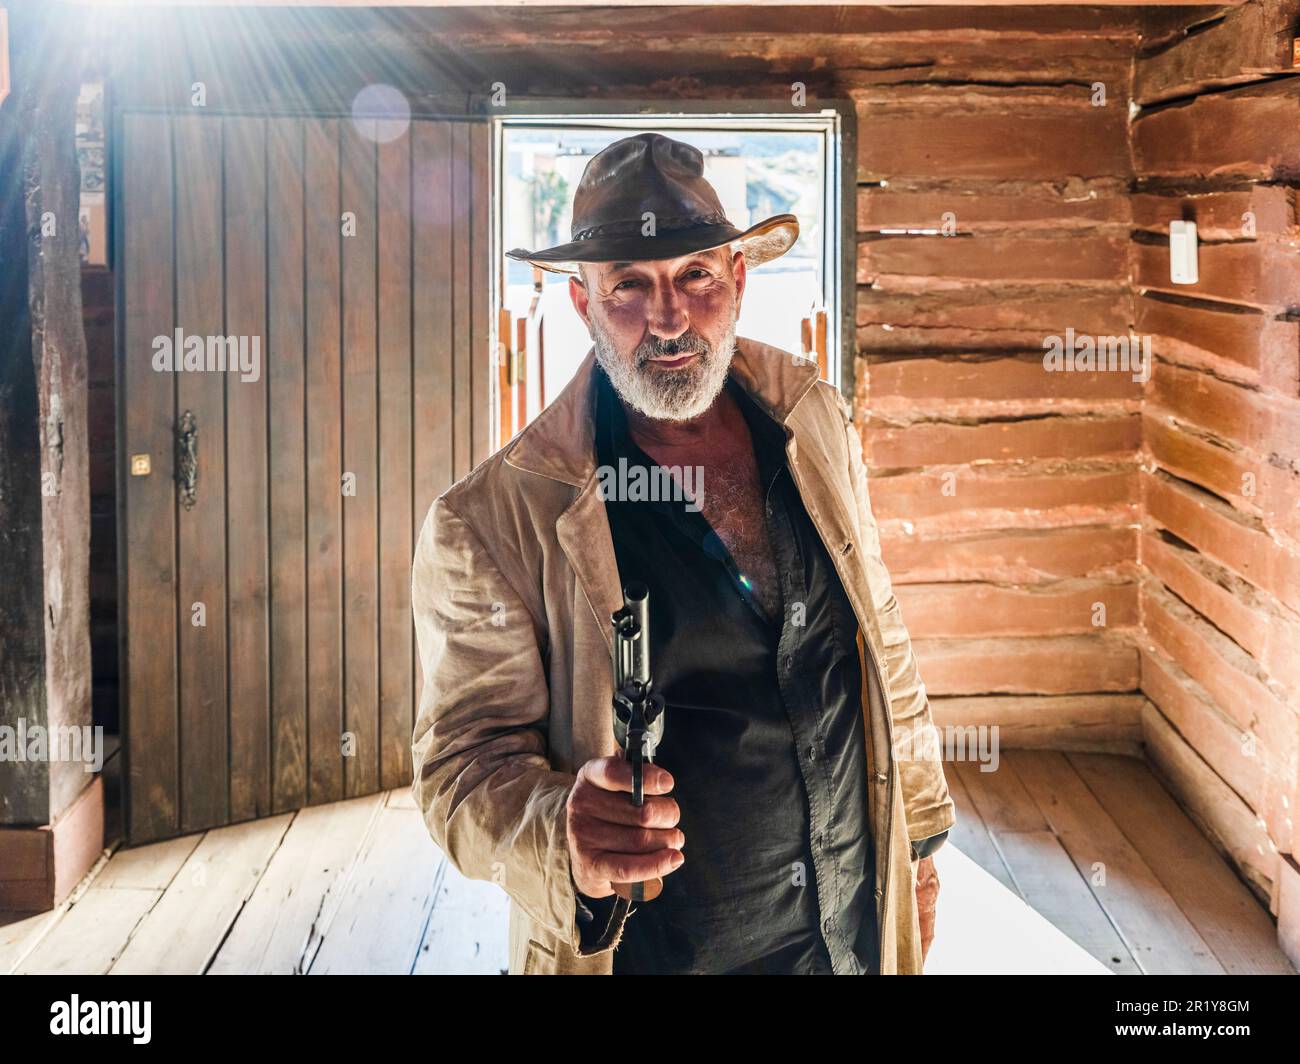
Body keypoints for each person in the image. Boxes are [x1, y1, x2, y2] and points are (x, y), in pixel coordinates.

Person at [411, 132, 954, 974]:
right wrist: (563, 833)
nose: (668, 318)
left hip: (849, 936)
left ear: (737, 280)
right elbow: (461, 769)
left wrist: (919, 835)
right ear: (586, 307)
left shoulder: (813, 419)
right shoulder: (490, 522)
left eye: (695, 275)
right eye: (630, 285)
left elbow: (877, 626)